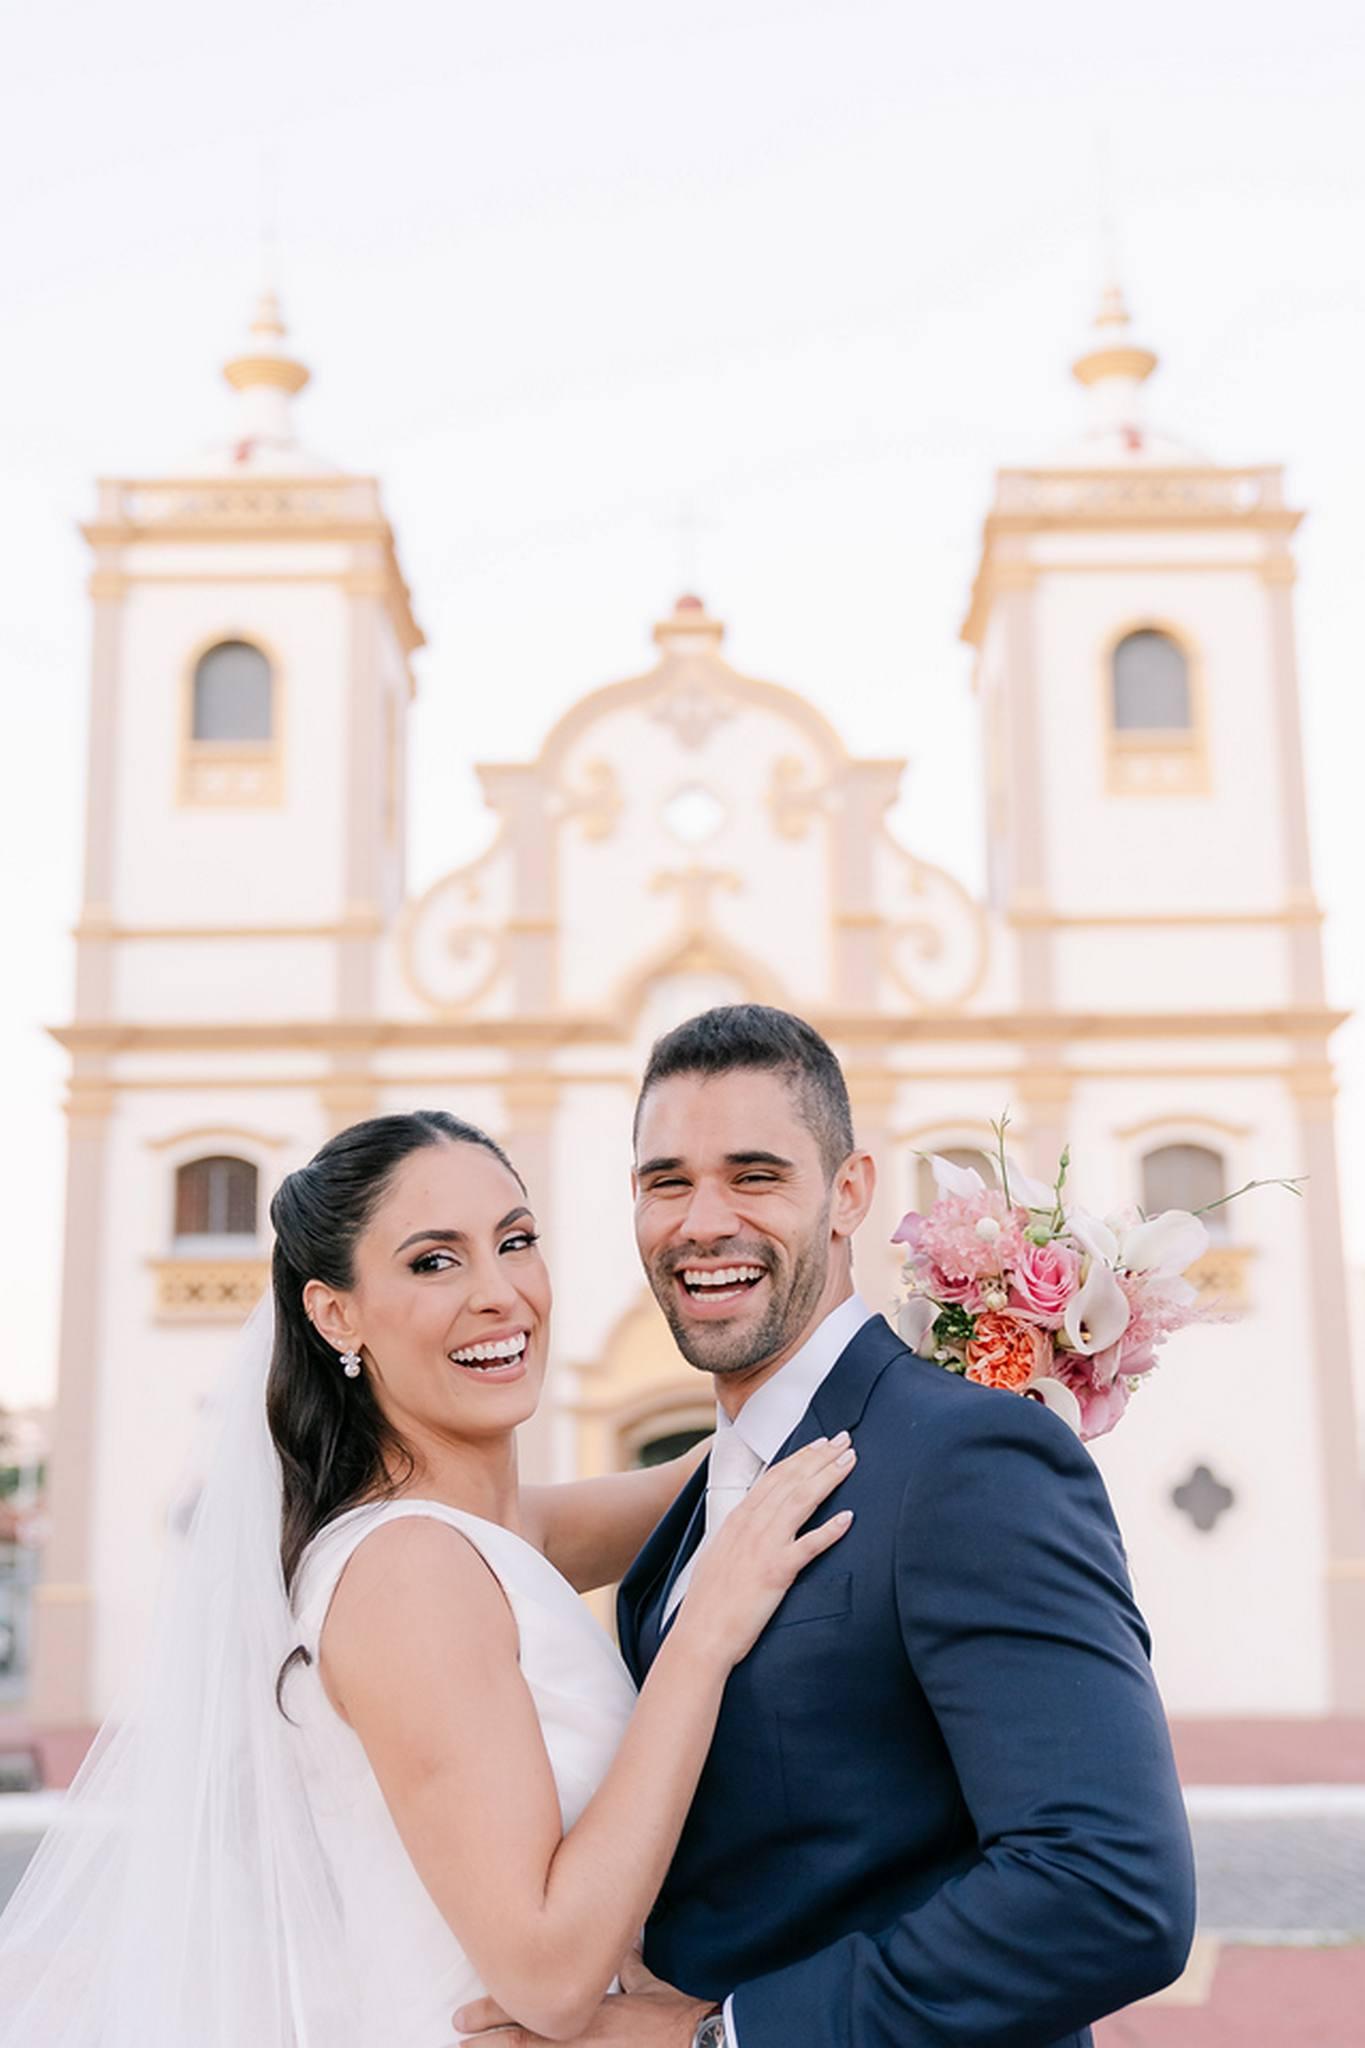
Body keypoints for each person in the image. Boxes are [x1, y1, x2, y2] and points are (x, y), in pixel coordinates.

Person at [0, 1108, 856, 2048]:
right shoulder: (407, 1574)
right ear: (335, 1313)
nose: (499, 1293)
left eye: (515, 1242)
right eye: (433, 1262)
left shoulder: (480, 1534)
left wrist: (970, 1348)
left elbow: (732, 1466)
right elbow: (549, 1976)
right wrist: (701, 1642)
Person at [455, 1006, 1197, 2048]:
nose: (702, 1220)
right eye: (666, 1180)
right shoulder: (706, 1486)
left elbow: (1109, 1888)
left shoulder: (968, 1459)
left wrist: (723, 2036)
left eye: (754, 1174)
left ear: (850, 1193)